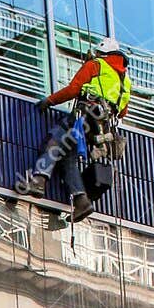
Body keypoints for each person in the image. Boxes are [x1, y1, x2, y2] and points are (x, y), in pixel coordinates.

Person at [22, 35, 132, 222]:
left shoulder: (96, 65)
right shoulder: (124, 80)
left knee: (55, 139)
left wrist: (49, 101)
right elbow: (122, 112)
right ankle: (81, 201)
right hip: (101, 127)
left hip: (85, 116)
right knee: (68, 158)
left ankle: (39, 180)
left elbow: (74, 89)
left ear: (101, 53)